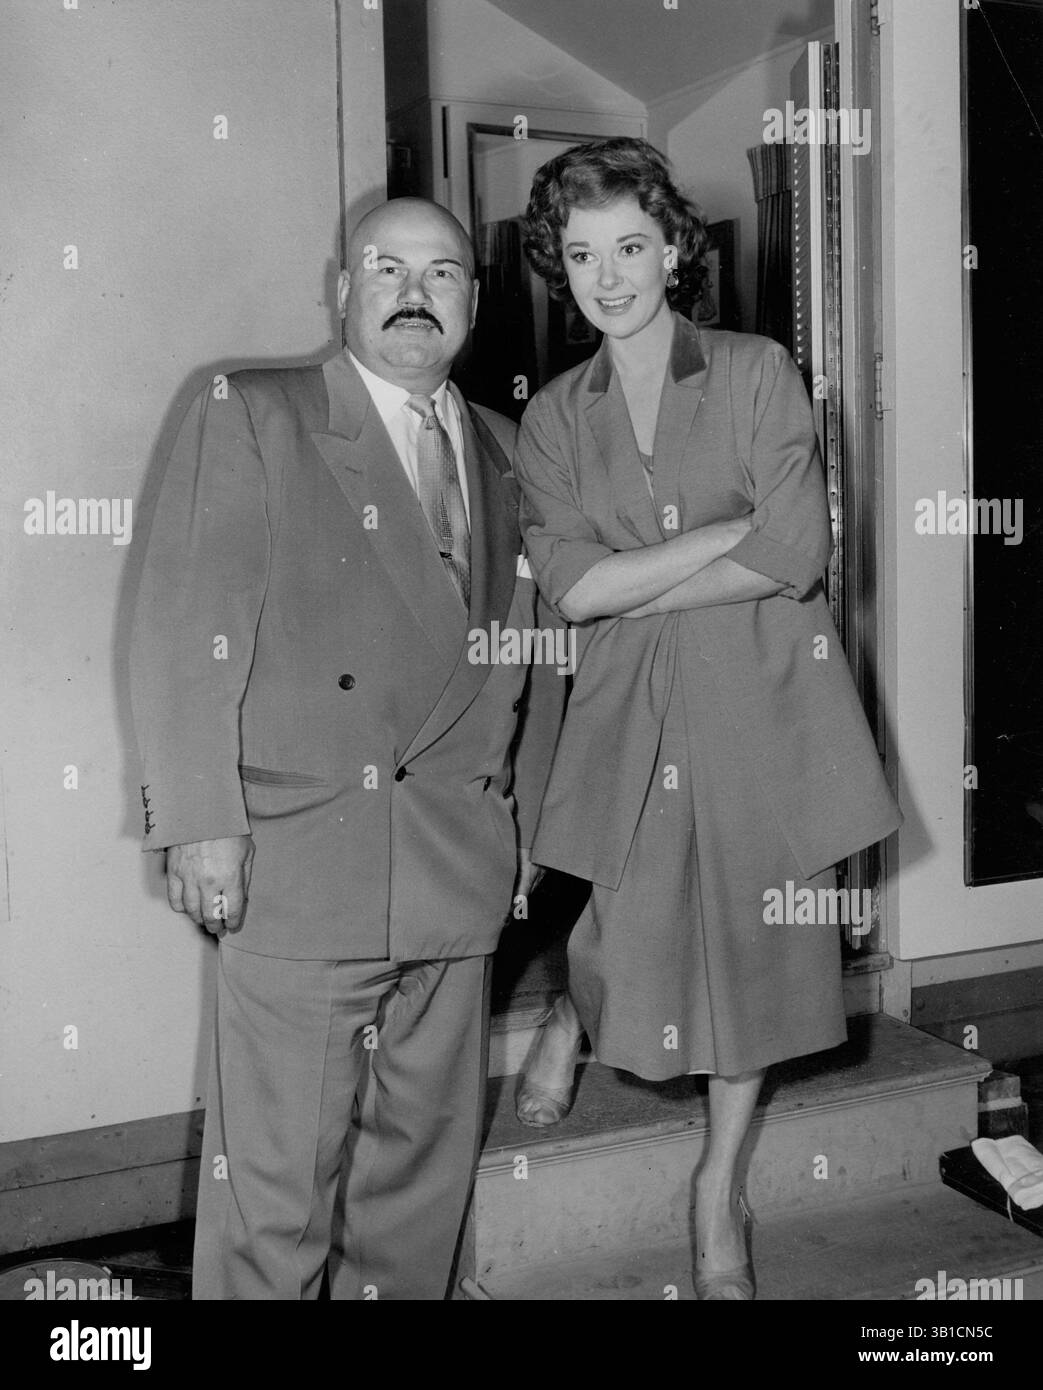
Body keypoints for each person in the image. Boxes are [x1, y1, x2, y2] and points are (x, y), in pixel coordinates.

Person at [129, 197, 563, 1300]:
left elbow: (532, 663)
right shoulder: (256, 414)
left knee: (416, 1188)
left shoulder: (509, 454)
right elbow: (187, 633)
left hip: (454, 868)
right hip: (298, 862)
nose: (415, 292)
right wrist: (200, 823)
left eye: (445, 273)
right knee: (275, 1193)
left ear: (474, 299)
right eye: (387, 268)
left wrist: (525, 829)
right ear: (342, 288)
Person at [511, 139, 902, 1299]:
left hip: (757, 697)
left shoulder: (751, 367)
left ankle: (716, 1186)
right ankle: (569, 1017)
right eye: (581, 255)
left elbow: (795, 550)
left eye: (630, 246)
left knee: (755, 950)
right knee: (613, 931)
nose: (609, 276)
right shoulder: (552, 418)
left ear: (674, 247)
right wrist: (708, 544)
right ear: (559, 268)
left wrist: (631, 576)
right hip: (630, 701)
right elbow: (567, 587)